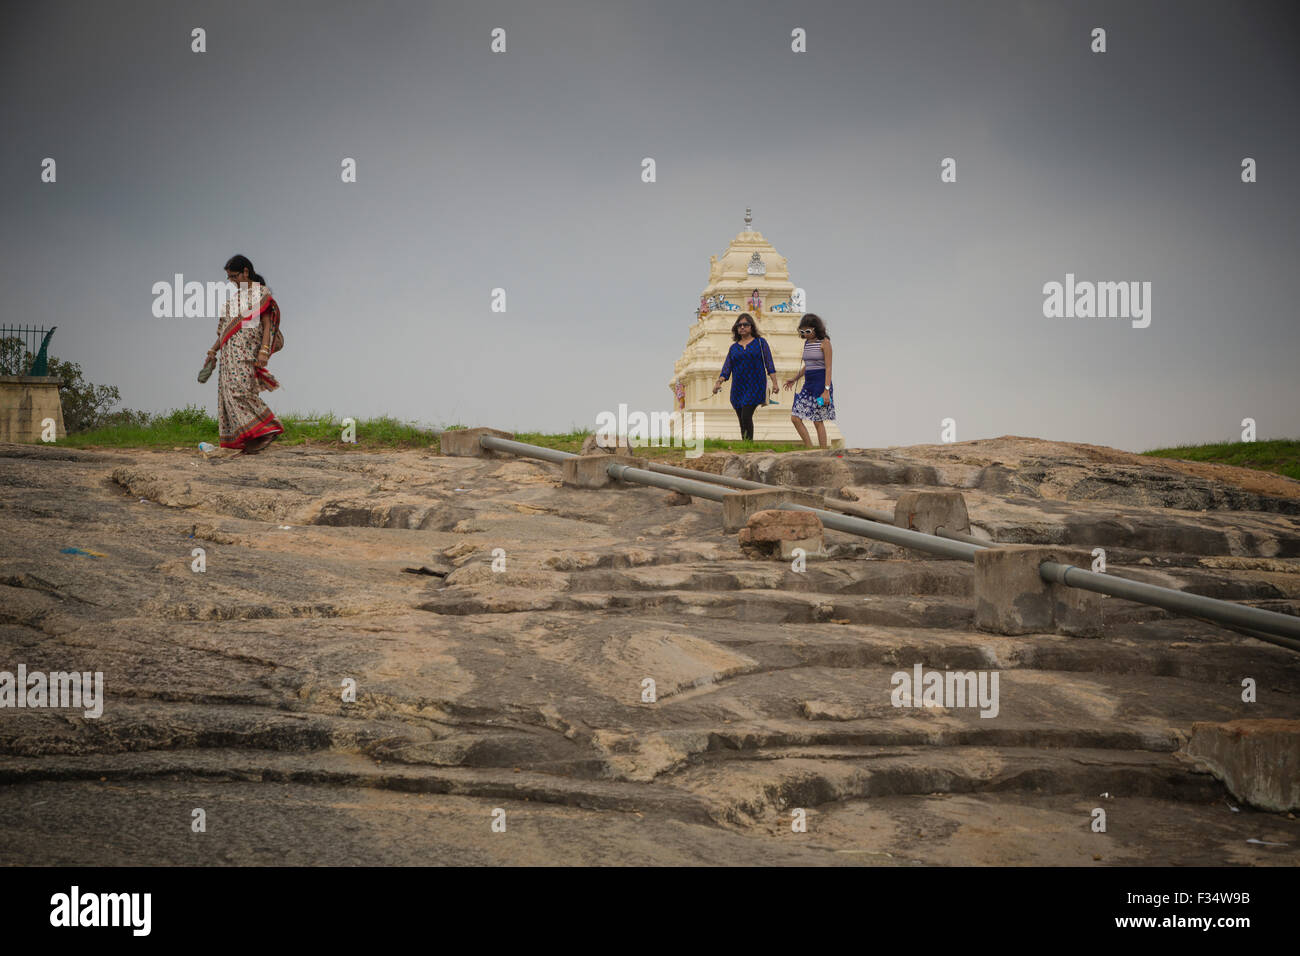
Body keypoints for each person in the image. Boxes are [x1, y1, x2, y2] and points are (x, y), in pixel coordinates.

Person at [204, 255, 284, 454]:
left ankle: (268, 428)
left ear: (246, 272)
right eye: (229, 278)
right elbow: (224, 331)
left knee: (242, 390)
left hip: (246, 351)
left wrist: (264, 351)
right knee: (228, 394)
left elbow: (266, 325)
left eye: (234, 276)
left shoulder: (260, 294)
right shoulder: (232, 302)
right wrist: (212, 351)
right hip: (229, 354)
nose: (232, 281)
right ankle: (250, 438)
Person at [712, 313, 778, 441]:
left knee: (746, 416)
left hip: (755, 385)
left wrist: (775, 383)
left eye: (745, 325)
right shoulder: (734, 348)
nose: (742, 327)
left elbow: (769, 363)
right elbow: (727, 367)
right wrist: (719, 382)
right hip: (738, 387)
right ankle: (746, 445)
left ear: (751, 327)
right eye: (739, 325)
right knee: (741, 418)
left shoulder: (760, 343)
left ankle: (749, 444)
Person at [783, 313, 835, 448]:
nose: (805, 334)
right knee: (795, 417)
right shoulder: (807, 343)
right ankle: (809, 448)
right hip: (808, 385)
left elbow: (828, 368)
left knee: (817, 419)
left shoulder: (825, 343)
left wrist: (826, 391)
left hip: (821, 386)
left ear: (815, 329)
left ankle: (823, 452)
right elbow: (808, 365)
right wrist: (795, 379)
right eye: (802, 331)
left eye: (808, 331)